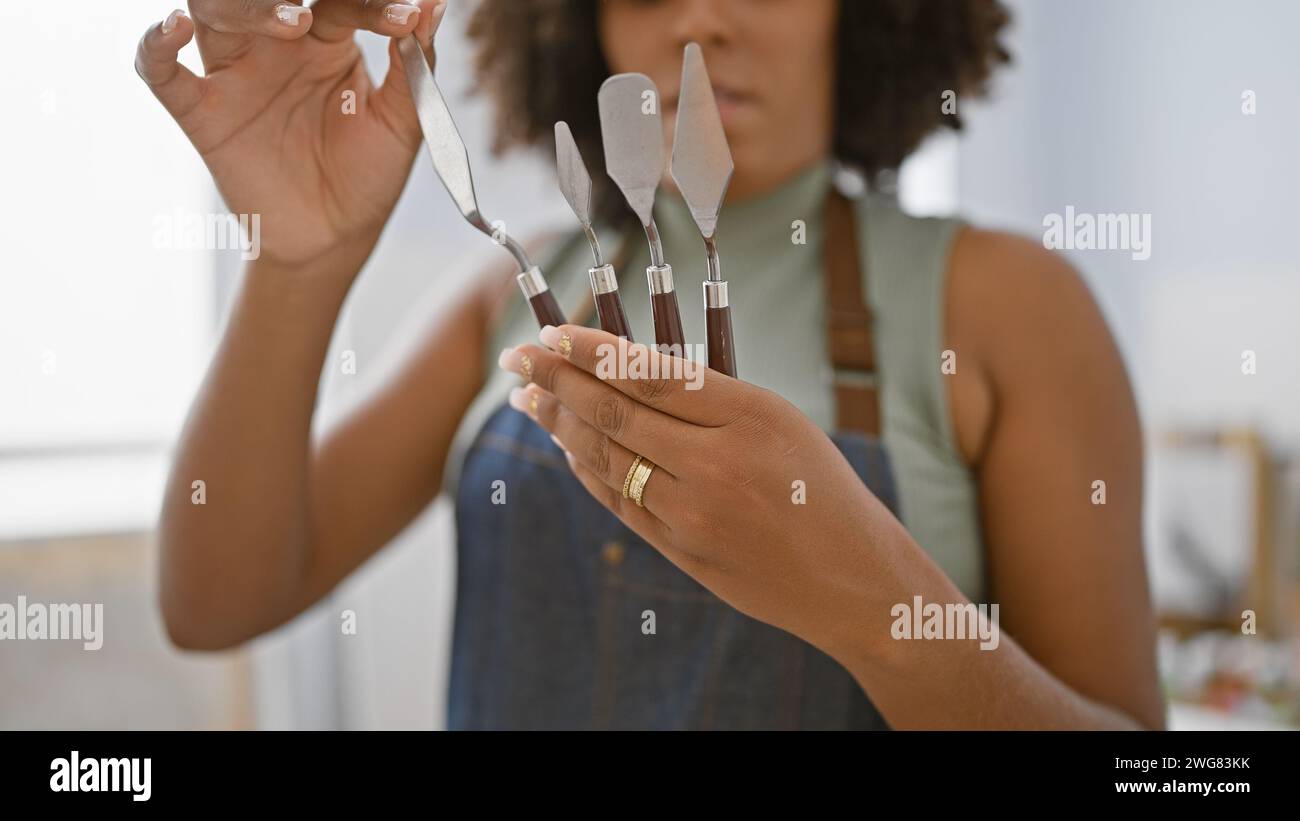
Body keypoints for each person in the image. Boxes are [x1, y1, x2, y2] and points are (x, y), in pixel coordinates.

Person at [136, 0, 1165, 729]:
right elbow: (214, 603)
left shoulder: (1010, 305)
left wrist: (868, 599)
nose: (701, 22)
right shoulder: (521, 285)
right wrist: (296, 262)